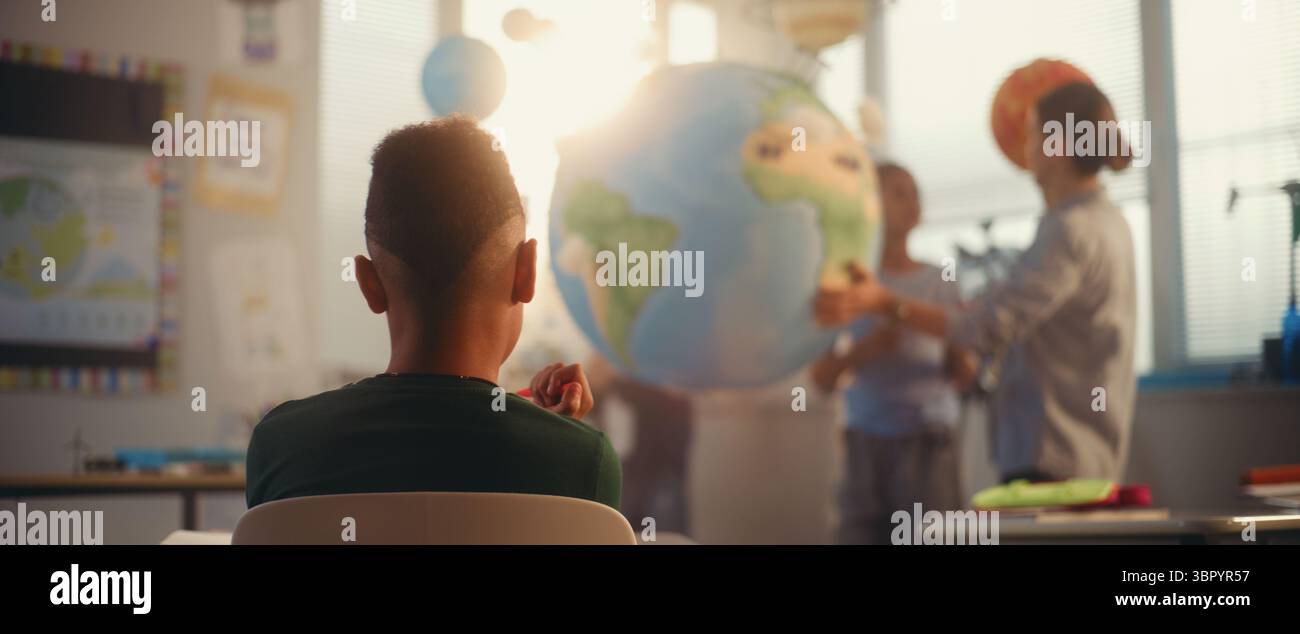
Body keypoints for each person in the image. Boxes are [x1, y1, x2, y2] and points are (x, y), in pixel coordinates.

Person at [245, 117, 621, 509]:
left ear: (369, 285)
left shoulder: (282, 446)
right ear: (525, 272)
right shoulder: (582, 463)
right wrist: (550, 439)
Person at [814, 82, 1137, 484]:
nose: (1026, 148)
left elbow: (987, 325)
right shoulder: (1106, 222)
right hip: (1073, 455)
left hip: (1054, 458)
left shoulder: (1070, 231)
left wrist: (886, 304)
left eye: (1033, 134)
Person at [810, 162, 977, 544]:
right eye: (899, 193)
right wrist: (862, 352)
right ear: (871, 204)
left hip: (930, 445)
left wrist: (960, 344)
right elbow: (819, 380)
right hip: (863, 446)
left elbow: (964, 376)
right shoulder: (848, 284)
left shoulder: (941, 280)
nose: (912, 202)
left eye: (915, 193)